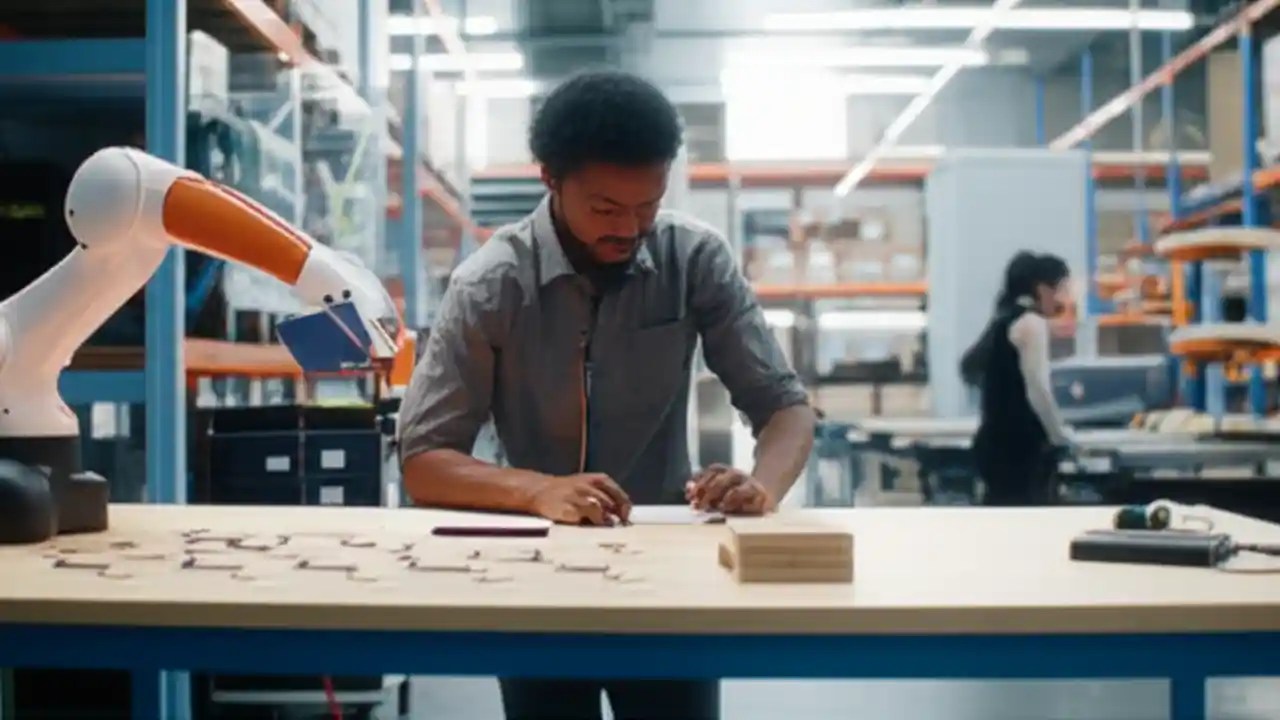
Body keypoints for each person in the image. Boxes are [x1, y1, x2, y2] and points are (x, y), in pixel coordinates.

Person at [397, 70, 816, 720]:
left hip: (671, 577)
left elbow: (785, 408)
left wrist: (761, 488)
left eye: (647, 205)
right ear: (550, 178)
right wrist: (536, 490)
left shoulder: (694, 260)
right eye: (605, 209)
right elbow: (424, 458)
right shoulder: (490, 285)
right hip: (537, 576)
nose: (631, 226)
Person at [960, 251, 1073, 506]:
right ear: (1042, 289)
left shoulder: (1001, 321)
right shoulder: (1031, 323)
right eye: (1060, 289)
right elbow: (1038, 389)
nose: (1062, 300)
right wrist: (1060, 436)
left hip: (992, 445)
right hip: (1021, 449)